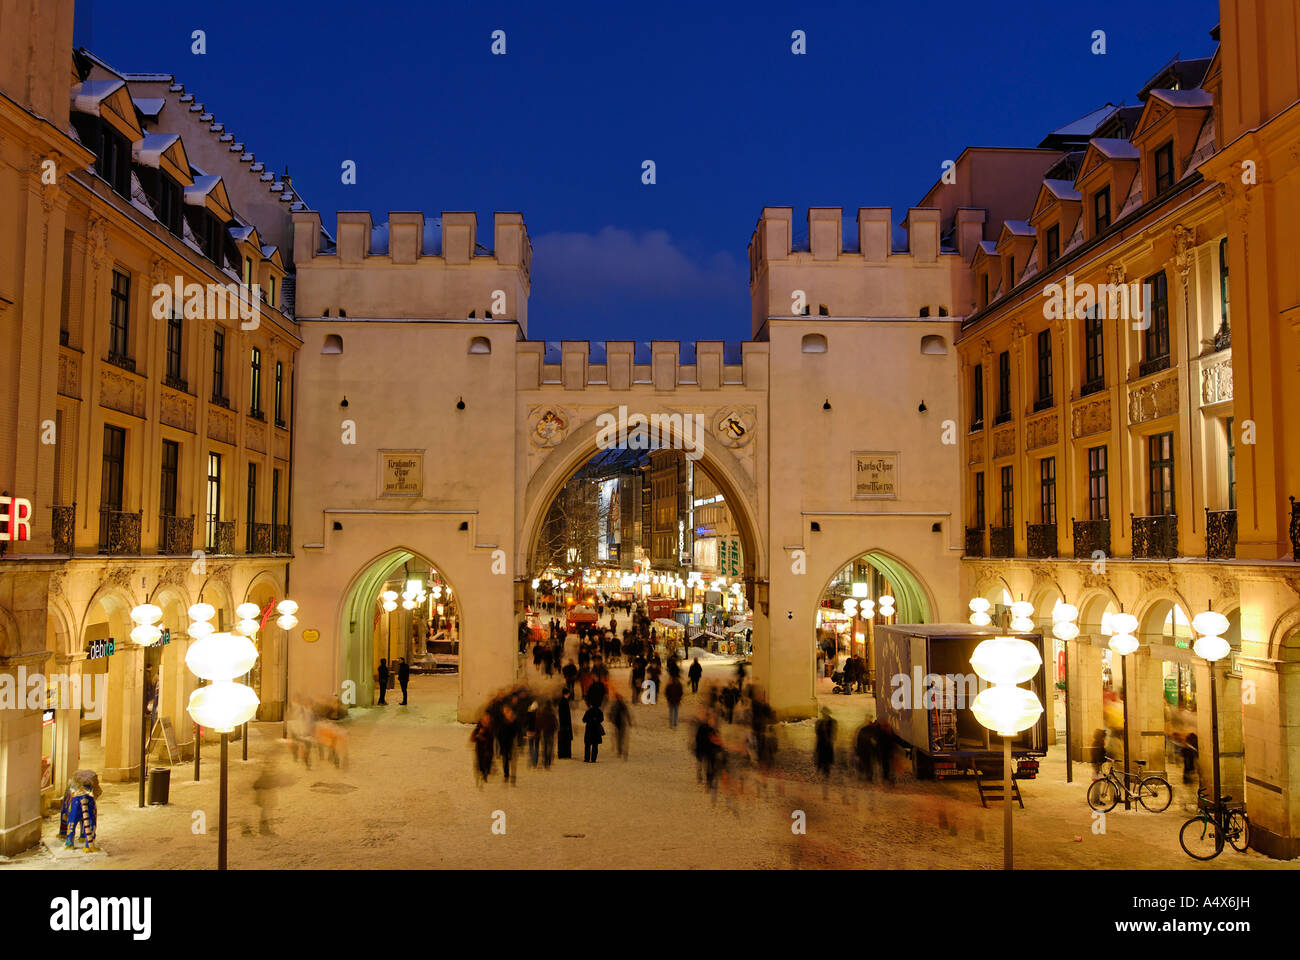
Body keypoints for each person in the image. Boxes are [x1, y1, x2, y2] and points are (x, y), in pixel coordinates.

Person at [814, 708, 836, 792]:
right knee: (821, 758)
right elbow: (817, 733)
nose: (824, 715)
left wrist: (830, 738)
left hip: (827, 745)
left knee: (826, 760)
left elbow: (833, 733)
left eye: (825, 713)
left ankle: (826, 773)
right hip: (821, 744)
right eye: (823, 713)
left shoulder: (832, 722)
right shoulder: (819, 722)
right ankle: (821, 771)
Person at [470, 714, 494, 785]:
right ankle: (481, 775)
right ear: (482, 721)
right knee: (480, 763)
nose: (486, 721)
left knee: (488, 764)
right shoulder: (478, 728)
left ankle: (485, 775)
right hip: (479, 749)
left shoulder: (491, 728)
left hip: (489, 749)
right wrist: (478, 735)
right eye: (485, 720)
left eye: (488, 719)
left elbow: (492, 739)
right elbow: (472, 738)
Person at [609, 693, 631, 760]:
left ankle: (620, 749)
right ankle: (619, 750)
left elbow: (627, 713)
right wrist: (611, 719)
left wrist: (629, 721)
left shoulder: (622, 705)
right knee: (618, 738)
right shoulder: (615, 705)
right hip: (617, 724)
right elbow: (610, 713)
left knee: (621, 737)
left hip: (621, 723)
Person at [536, 699, 557, 768]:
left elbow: (539, 722)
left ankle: (545, 761)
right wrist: (555, 729)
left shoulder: (542, 712)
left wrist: (539, 730)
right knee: (550, 747)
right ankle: (549, 761)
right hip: (551, 732)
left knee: (544, 747)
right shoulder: (552, 713)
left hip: (544, 732)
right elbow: (555, 723)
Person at [557, 688, 574, 760]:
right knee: (565, 740)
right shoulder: (564, 702)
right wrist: (566, 724)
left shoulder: (562, 701)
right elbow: (565, 715)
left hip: (563, 724)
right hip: (565, 724)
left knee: (563, 739)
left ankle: (563, 753)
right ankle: (565, 754)